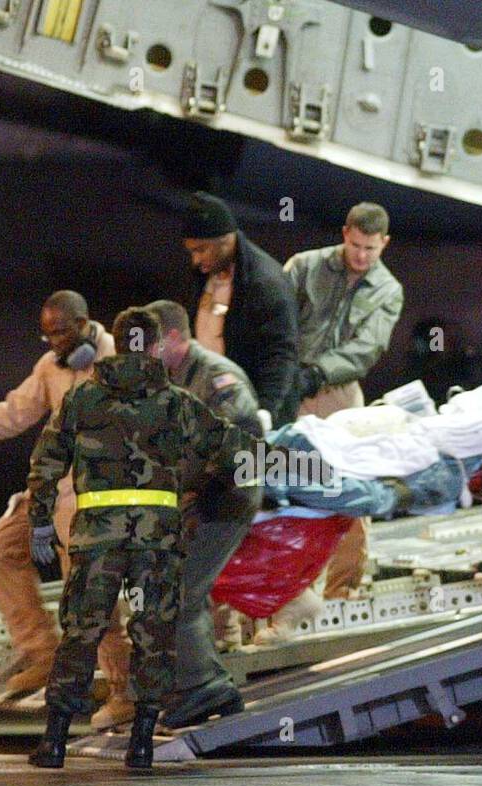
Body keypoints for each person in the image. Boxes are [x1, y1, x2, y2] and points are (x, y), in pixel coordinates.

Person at [25, 307, 258, 769]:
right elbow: (235, 449)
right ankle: (143, 743)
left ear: (113, 341)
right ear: (154, 347)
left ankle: (53, 743)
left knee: (81, 633)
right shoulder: (176, 403)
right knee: (154, 633)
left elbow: (45, 463)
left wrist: (39, 520)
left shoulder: (82, 400)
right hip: (157, 538)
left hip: (97, 538)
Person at [89, 299, 264, 731]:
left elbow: (243, 443)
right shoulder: (162, 378)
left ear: (169, 339)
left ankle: (205, 686)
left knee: (179, 592)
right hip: (188, 502)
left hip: (225, 500)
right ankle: (194, 686)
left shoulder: (218, 380)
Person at [0, 290, 115, 696]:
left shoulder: (117, 362)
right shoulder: (50, 368)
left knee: (85, 585)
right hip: (55, 487)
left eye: (61, 334)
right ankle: (43, 655)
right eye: (47, 335)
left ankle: (119, 684)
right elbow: (14, 411)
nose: (54, 343)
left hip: (94, 494)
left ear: (85, 326)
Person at [282, 202, 404, 600]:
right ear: (344, 233)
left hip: (341, 396)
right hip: (291, 388)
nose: (361, 256)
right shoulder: (304, 266)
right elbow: (276, 320)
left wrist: (318, 373)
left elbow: (368, 347)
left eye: (370, 248)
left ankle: (343, 590)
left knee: (353, 488)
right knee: (291, 484)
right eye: (355, 245)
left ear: (384, 243)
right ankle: (288, 593)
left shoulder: (388, 290)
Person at [182, 191, 300, 427]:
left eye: (201, 249)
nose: (195, 260)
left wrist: (265, 414)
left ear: (227, 240)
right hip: (213, 399)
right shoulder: (205, 270)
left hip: (250, 409)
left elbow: (281, 354)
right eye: (191, 250)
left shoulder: (267, 284)